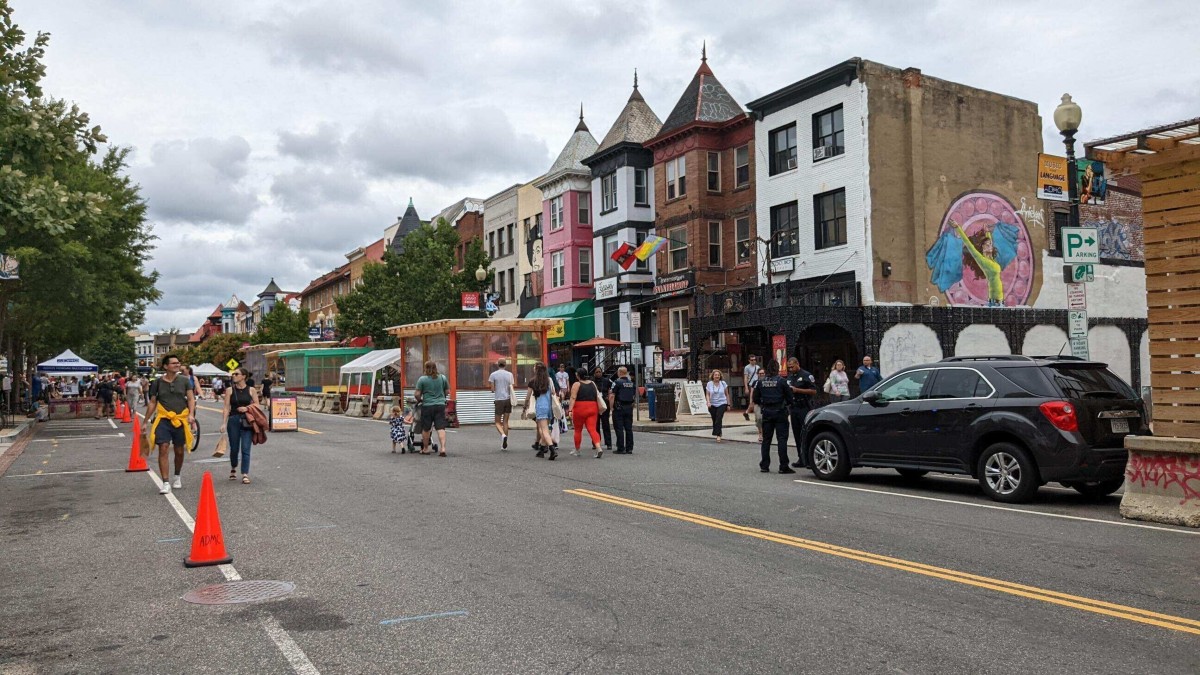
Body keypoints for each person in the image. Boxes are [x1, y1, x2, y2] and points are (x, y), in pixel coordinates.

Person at [145, 354, 197, 494]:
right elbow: (152, 402)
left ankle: (177, 476)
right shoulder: (157, 383)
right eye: (173, 363)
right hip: (163, 419)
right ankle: (166, 482)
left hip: (180, 419)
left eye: (178, 362)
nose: (177, 364)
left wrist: (191, 414)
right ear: (165, 366)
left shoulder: (185, 381)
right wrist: (145, 421)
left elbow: (191, 399)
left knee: (179, 450)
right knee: (163, 447)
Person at [753, 359, 794, 474]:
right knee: (782, 440)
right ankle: (783, 466)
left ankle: (764, 465)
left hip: (767, 412)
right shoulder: (781, 381)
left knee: (766, 440)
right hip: (780, 412)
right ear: (777, 368)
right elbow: (790, 398)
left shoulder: (761, 382)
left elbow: (755, 399)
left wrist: (763, 403)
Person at [221, 367, 259, 484]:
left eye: (236, 374)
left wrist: (247, 408)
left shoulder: (251, 390)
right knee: (234, 448)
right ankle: (233, 467)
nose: (234, 376)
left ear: (244, 376)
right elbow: (226, 407)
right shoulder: (229, 390)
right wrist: (224, 423)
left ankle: (245, 473)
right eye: (233, 374)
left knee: (246, 448)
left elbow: (257, 405)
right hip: (233, 420)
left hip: (247, 421)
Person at [785, 357, 818, 470]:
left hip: (804, 407)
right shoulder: (789, 377)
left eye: (792, 366)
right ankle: (801, 458)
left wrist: (797, 390)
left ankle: (809, 460)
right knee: (797, 433)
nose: (790, 368)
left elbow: (813, 391)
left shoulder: (806, 375)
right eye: (789, 367)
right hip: (794, 408)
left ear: (797, 364)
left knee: (805, 433)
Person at [415, 361, 450, 456]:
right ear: (436, 368)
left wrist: (420, 400)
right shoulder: (442, 378)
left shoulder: (422, 379)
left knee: (426, 428)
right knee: (440, 427)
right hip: (440, 405)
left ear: (425, 368)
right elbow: (447, 392)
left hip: (427, 406)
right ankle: (443, 448)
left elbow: (417, 394)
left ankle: (426, 449)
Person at [523, 362, 557, 460]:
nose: (533, 369)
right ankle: (541, 450)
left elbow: (528, 396)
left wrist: (525, 406)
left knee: (544, 430)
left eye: (534, 367)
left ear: (536, 370)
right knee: (546, 428)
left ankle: (552, 450)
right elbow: (553, 392)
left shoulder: (533, 381)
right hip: (549, 407)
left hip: (540, 407)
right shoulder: (549, 380)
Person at [568, 368, 603, 458]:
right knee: (592, 429)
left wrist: (570, 410)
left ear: (578, 375)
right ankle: (598, 448)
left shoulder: (577, 384)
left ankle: (577, 450)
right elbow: (597, 395)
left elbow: (573, 397)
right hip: (593, 407)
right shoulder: (593, 383)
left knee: (578, 430)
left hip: (580, 407)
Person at [487, 359, 515, 450]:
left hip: (499, 400)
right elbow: (511, 387)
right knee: (505, 422)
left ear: (498, 364)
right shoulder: (510, 374)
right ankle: (504, 443)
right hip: (508, 399)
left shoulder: (493, 375)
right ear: (505, 365)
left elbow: (492, 389)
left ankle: (503, 435)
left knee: (497, 422)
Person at [610, 366, 636, 454]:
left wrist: (611, 407)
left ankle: (621, 448)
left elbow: (612, 395)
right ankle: (629, 448)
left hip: (619, 407)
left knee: (619, 428)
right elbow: (634, 395)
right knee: (628, 428)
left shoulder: (617, 382)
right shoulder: (631, 383)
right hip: (629, 407)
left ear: (620, 373)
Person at [705, 369, 729, 442]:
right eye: (715, 375)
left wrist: (728, 404)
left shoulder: (723, 383)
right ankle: (719, 432)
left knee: (719, 417)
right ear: (713, 376)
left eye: (718, 375)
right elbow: (707, 394)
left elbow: (727, 394)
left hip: (722, 403)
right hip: (712, 404)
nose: (717, 376)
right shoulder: (709, 384)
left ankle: (718, 435)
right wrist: (708, 402)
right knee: (714, 419)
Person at [592, 367, 613, 453]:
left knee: (606, 424)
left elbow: (612, 389)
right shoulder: (592, 382)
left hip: (604, 405)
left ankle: (609, 443)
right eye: (596, 372)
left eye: (600, 372)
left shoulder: (607, 381)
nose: (598, 373)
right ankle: (596, 442)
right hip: (595, 405)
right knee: (595, 426)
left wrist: (609, 396)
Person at [742, 355, 758, 420]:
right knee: (752, 401)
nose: (753, 361)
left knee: (756, 401)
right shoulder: (747, 367)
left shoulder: (757, 367)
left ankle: (746, 412)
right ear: (749, 360)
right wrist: (746, 387)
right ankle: (751, 413)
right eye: (752, 360)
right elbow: (745, 378)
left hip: (758, 385)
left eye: (754, 359)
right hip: (751, 385)